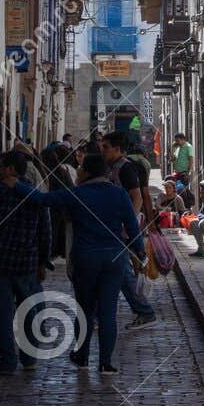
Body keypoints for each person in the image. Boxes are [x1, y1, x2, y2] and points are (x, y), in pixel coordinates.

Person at [12, 152, 143, 375]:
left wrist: (17, 185)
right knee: (108, 311)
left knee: (85, 309)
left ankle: (82, 357)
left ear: (88, 172)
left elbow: (43, 200)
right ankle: (105, 363)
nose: (78, 171)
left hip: (86, 258)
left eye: (81, 168)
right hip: (114, 258)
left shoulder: (77, 193)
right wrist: (140, 252)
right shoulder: (119, 194)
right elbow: (132, 227)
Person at [0, 150, 53, 375]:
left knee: (3, 313)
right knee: (30, 311)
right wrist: (43, 261)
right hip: (27, 263)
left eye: (1, 166)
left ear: (10, 169)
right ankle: (29, 358)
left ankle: (7, 361)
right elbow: (45, 231)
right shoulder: (35, 193)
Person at [99, 130, 158, 329]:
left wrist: (128, 224)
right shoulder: (111, 167)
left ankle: (144, 311)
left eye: (106, 147)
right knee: (117, 272)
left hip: (120, 230)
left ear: (117, 149)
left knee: (122, 272)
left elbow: (137, 196)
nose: (103, 150)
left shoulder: (125, 169)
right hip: (112, 228)